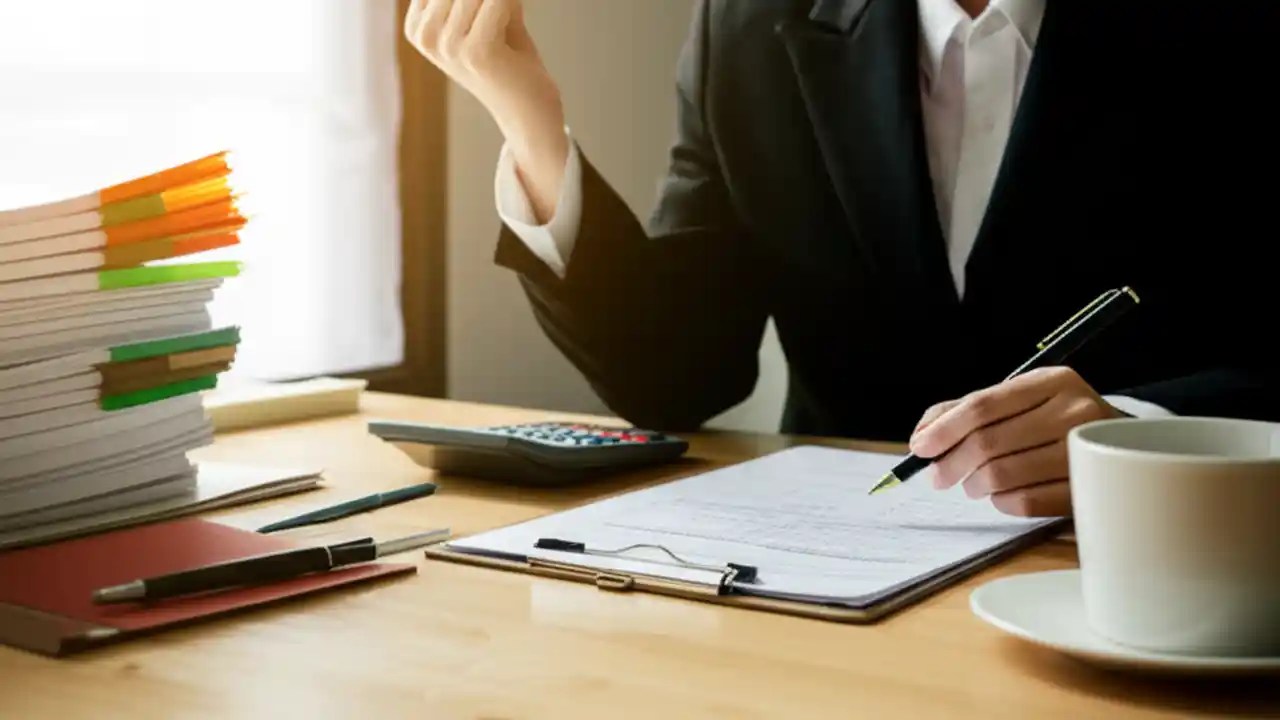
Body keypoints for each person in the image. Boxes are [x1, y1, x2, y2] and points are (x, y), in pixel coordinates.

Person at [403, 0, 1277, 517]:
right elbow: (677, 375)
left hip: (1149, 564)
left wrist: (1136, 427)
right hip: (832, 574)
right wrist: (530, 126)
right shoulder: (753, 24)